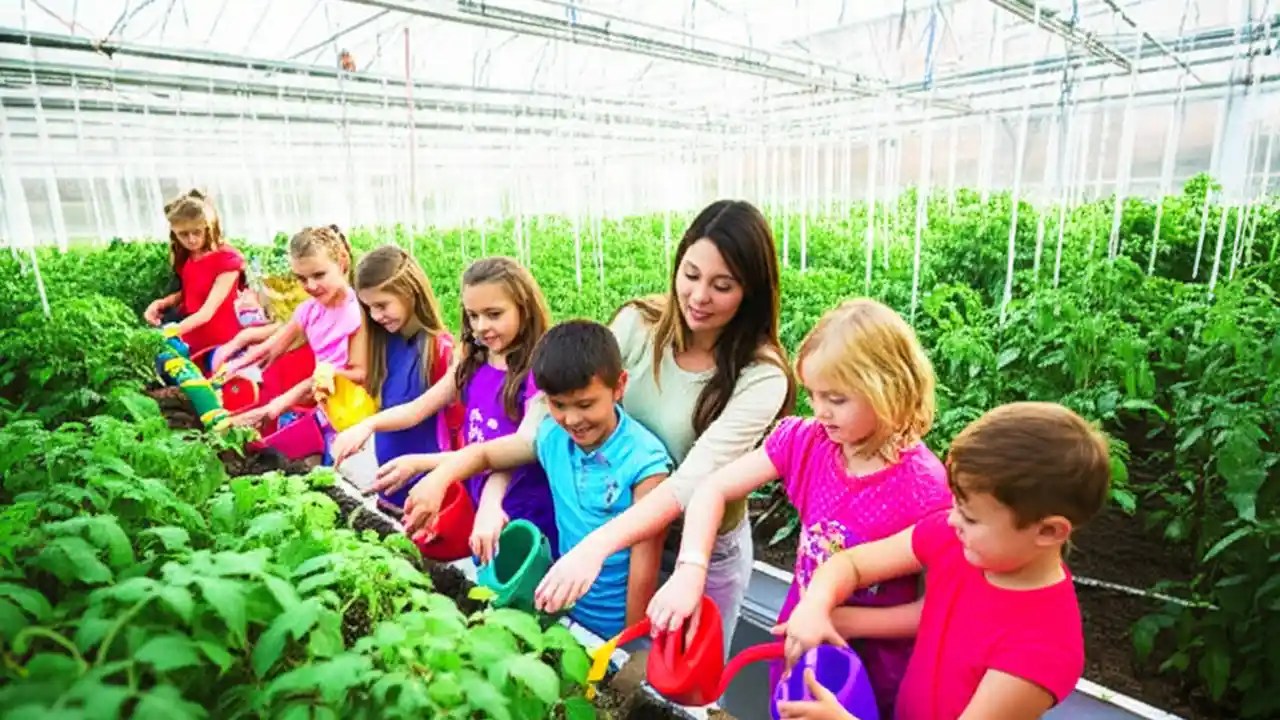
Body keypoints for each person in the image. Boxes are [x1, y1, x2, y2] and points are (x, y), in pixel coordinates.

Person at [646, 298, 951, 714]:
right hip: (797, 641)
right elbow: (712, 489)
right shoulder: (807, 443)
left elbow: (936, 609)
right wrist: (690, 570)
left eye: (837, 399)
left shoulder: (925, 488)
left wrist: (840, 620)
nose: (820, 410)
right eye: (812, 393)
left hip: (868, 670)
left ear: (889, 388)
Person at [531, 199, 796, 650]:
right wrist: (461, 465)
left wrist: (593, 548)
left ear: (750, 291)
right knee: (615, 666)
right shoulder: (639, 324)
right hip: (621, 535)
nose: (698, 297)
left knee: (677, 686)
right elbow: (561, 407)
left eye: (722, 285)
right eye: (690, 274)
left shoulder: (761, 375)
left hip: (700, 555)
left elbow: (691, 483)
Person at [780, 402, 1111, 720]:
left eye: (970, 517)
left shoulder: (1042, 649)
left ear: (1049, 531)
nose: (952, 520)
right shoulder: (960, 544)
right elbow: (851, 564)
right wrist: (818, 608)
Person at [404, 320, 673, 638]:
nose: (572, 420)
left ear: (619, 387)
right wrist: (438, 479)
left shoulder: (645, 463)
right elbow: (487, 455)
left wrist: (629, 642)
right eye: (558, 405)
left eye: (586, 404)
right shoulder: (550, 436)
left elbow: (645, 566)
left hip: (614, 624)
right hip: (560, 604)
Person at [331, 256, 556, 557]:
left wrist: (433, 468)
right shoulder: (473, 362)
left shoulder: (538, 372)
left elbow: (514, 450)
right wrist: (368, 426)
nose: (482, 327)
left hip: (524, 511)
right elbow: (417, 409)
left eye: (494, 314)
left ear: (525, 309)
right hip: (481, 506)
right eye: (473, 316)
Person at [220, 225, 366, 430]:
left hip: (357, 412)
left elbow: (357, 375)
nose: (311, 286)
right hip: (328, 408)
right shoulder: (309, 311)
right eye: (302, 278)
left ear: (342, 261)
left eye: (319, 275)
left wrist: (281, 402)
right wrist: (231, 368)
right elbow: (272, 348)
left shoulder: (360, 312)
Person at [350, 245, 461, 511]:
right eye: (368, 308)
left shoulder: (439, 350)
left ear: (409, 291)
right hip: (389, 490)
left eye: (382, 305)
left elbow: (448, 425)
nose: (376, 316)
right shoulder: (382, 345)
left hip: (427, 496)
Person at [144, 189, 244, 370]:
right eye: (183, 234)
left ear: (208, 227)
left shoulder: (227, 259)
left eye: (197, 232)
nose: (191, 239)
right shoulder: (190, 257)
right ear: (174, 233)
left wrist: (168, 332)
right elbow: (193, 290)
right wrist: (162, 303)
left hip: (221, 343)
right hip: (192, 338)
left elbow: (207, 311)